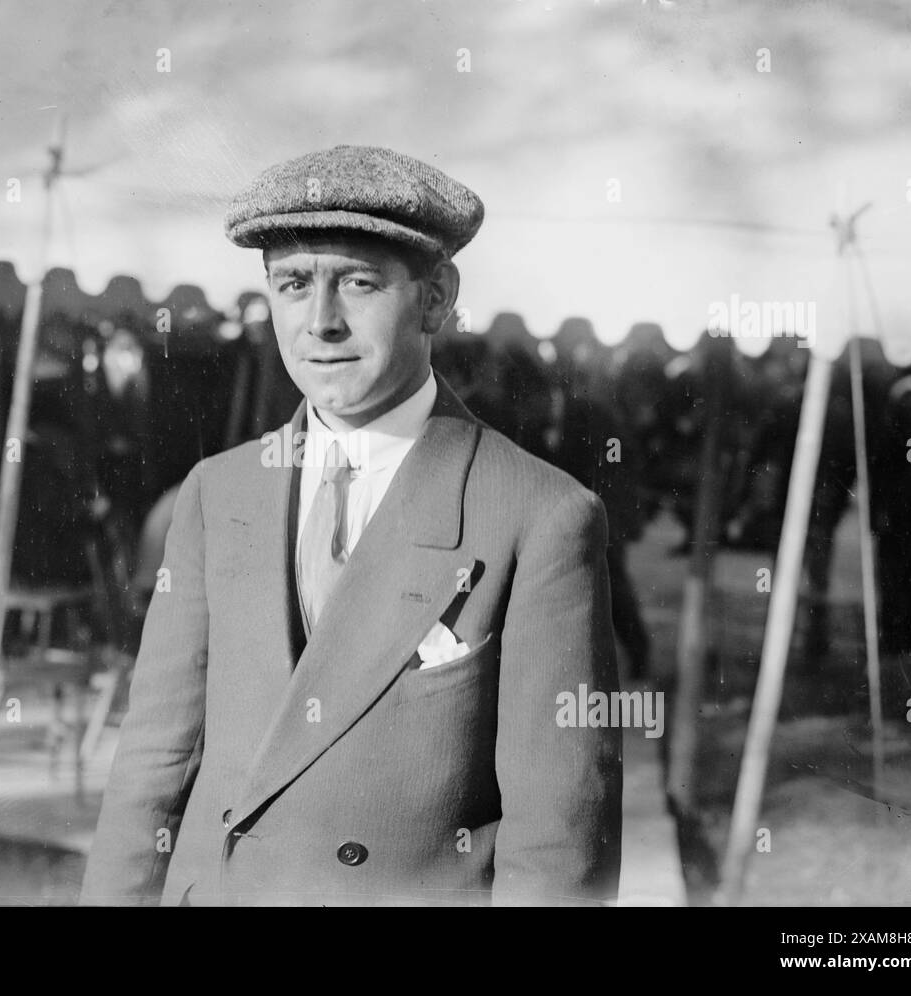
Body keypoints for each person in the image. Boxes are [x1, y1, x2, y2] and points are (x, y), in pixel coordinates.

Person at [80, 145, 622, 907]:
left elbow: (558, 844)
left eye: (358, 283)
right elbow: (151, 768)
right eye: (293, 285)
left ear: (436, 299)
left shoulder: (538, 515)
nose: (321, 323)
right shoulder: (218, 493)